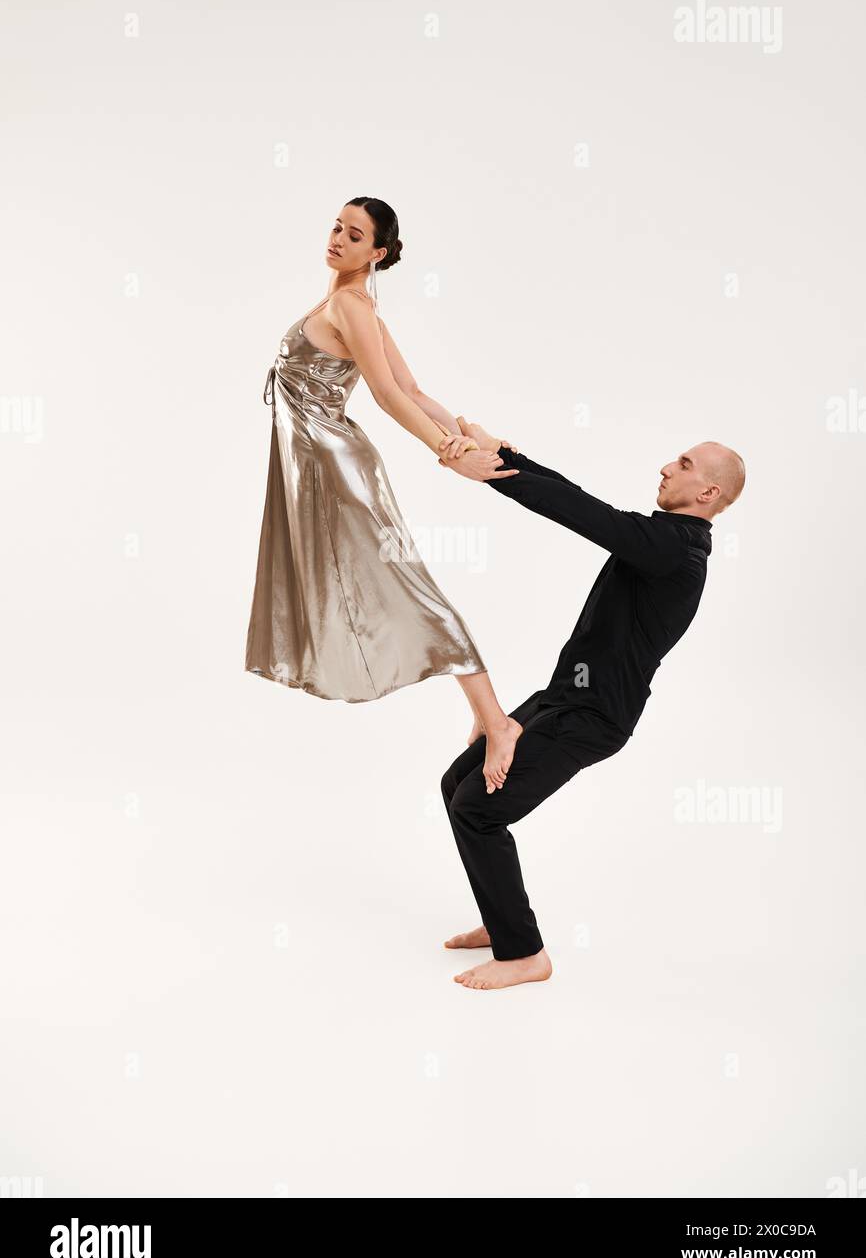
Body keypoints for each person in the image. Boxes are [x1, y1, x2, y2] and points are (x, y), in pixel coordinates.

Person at [436, 421, 746, 990]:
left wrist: (490, 470)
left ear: (709, 494)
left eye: (682, 463)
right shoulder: (661, 539)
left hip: (593, 718)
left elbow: (578, 511)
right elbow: (580, 497)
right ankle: (502, 919)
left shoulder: (676, 550)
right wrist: (507, 453)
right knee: (458, 783)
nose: (665, 467)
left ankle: (525, 955)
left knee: (479, 810)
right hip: (563, 697)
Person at [244, 197, 522, 786]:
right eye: (336, 227)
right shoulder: (348, 302)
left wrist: (452, 451)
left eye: (355, 234)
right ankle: (487, 714)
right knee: (386, 586)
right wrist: (462, 436)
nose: (339, 239)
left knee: (407, 584)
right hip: (317, 470)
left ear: (378, 252)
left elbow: (394, 396)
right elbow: (414, 388)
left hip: (334, 470)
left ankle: (498, 721)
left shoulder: (350, 303)